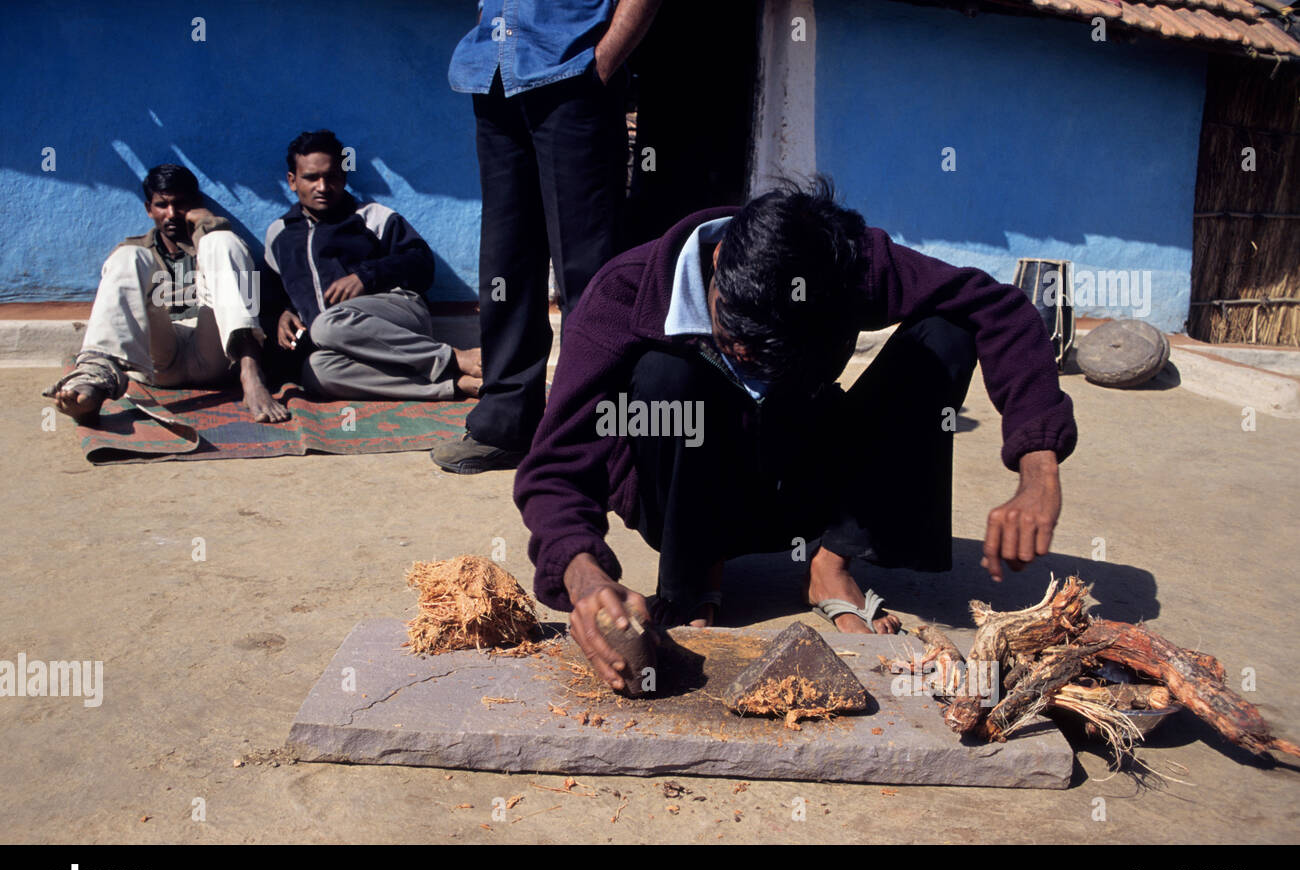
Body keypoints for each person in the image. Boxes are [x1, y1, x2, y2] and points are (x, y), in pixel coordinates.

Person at [513, 179, 1078, 692]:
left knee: (946, 335)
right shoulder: (622, 294)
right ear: (717, 263)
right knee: (667, 376)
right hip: (688, 493)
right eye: (735, 336)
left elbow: (997, 307)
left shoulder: (849, 263)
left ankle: (829, 564)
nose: (747, 358)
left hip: (806, 479)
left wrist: (1038, 465)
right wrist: (583, 576)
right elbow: (555, 467)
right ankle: (694, 576)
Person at [432, 0, 662, 473]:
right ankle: (505, 423)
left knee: (587, 265)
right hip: (494, 75)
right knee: (505, 260)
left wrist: (603, 62)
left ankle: (590, 434)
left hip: (573, 76)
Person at [47, 164, 287, 423]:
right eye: (162, 205)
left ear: (195, 205)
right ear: (149, 209)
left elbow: (230, 258)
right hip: (157, 361)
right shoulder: (137, 252)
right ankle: (96, 380)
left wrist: (207, 225)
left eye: (181, 204)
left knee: (224, 242)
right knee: (126, 257)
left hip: (216, 354)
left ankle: (251, 374)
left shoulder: (208, 243)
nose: (171, 214)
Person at [264, 130, 481, 401]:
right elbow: (274, 290)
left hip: (397, 315)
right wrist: (284, 312)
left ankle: (455, 358)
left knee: (326, 324)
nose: (322, 186)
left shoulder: (370, 216)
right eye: (311, 178)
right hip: (342, 342)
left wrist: (365, 277)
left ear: (343, 178)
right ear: (292, 181)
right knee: (316, 371)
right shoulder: (279, 235)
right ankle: (453, 384)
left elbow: (421, 263)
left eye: (330, 176)